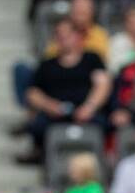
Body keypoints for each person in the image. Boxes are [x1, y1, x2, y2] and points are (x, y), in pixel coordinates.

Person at [19, 17, 111, 164]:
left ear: (78, 36)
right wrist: (50, 106)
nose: (62, 39)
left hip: (86, 111)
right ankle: (43, 158)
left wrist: (89, 107)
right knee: (37, 126)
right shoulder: (47, 64)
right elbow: (32, 93)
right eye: (59, 35)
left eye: (67, 34)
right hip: (55, 114)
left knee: (107, 124)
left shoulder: (92, 59)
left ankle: (104, 160)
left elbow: (103, 84)